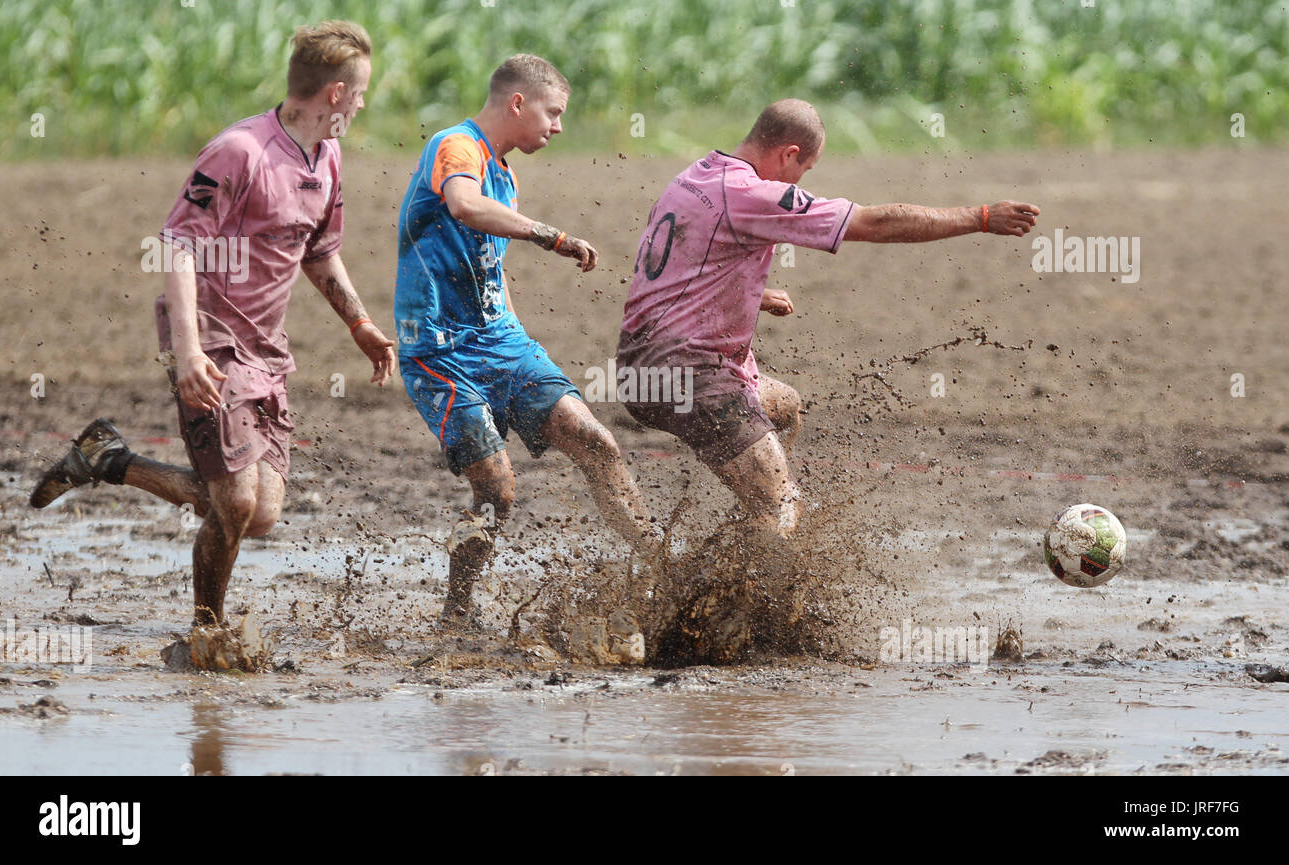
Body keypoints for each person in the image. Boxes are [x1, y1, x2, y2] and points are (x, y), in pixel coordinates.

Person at [29, 20, 397, 630]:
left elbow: (320, 249)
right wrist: (189, 349)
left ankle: (109, 460)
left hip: (266, 350)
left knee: (259, 515)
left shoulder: (328, 157)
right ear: (335, 92)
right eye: (359, 92)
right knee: (236, 501)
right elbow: (177, 244)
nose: (362, 103)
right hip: (209, 339)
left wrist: (358, 322)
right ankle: (207, 631)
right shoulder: (240, 151)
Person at [617, 98, 1040, 538]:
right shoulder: (755, 193)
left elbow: (678, 257)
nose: (802, 179)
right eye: (807, 169)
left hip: (636, 370)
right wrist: (981, 217)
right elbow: (875, 223)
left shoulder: (694, 176)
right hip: (690, 375)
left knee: (785, 409)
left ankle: (747, 540)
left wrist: (749, 291)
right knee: (783, 507)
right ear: (790, 154)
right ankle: (734, 577)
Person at [394, 54, 660, 622]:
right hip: (439, 350)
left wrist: (515, 333)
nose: (558, 127)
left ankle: (662, 570)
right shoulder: (456, 146)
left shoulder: (506, 174)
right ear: (518, 102)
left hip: (503, 343)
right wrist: (550, 235)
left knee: (597, 442)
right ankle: (457, 612)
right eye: (553, 112)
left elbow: (492, 263)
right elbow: (464, 206)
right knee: (497, 493)